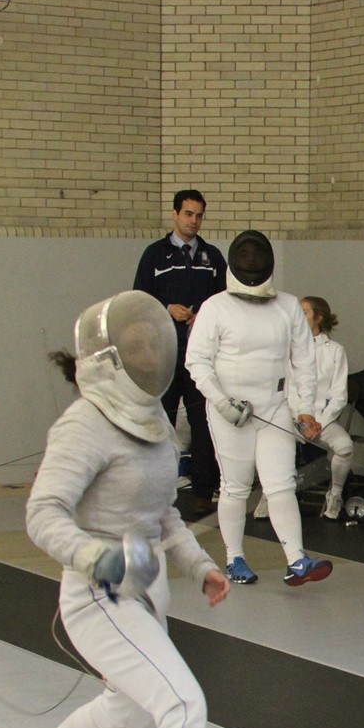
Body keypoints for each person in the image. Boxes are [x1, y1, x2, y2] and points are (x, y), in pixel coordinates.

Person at [7, 289, 242, 728]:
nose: (148, 355)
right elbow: (41, 514)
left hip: (147, 582)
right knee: (182, 703)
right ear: (111, 358)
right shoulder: (83, 424)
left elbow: (161, 509)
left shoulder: (152, 417)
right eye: (136, 346)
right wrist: (93, 558)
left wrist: (200, 565)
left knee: (128, 705)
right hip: (100, 594)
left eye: (152, 345)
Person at [185, 229, 333, 586]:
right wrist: (222, 402)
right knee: (235, 486)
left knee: (281, 484)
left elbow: (304, 362)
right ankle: (235, 559)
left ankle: (297, 560)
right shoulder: (215, 308)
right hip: (229, 412)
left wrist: (305, 409)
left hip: (274, 406)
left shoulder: (287, 306)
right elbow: (197, 362)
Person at [132, 189, 226, 519]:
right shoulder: (155, 255)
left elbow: (225, 301)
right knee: (160, 422)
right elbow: (138, 302)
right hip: (164, 354)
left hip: (201, 355)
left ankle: (204, 490)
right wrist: (164, 308)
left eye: (199, 215)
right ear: (174, 214)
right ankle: (154, 491)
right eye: (188, 214)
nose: (194, 221)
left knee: (203, 422)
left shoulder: (212, 257)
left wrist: (204, 314)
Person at [300, 295, 354, 520]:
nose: (299, 318)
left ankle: (335, 494)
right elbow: (285, 389)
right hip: (292, 418)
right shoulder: (288, 349)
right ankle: (269, 494)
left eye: (304, 313)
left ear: (318, 318)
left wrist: (318, 422)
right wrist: (301, 417)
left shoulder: (335, 351)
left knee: (345, 446)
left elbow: (339, 395)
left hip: (321, 421)